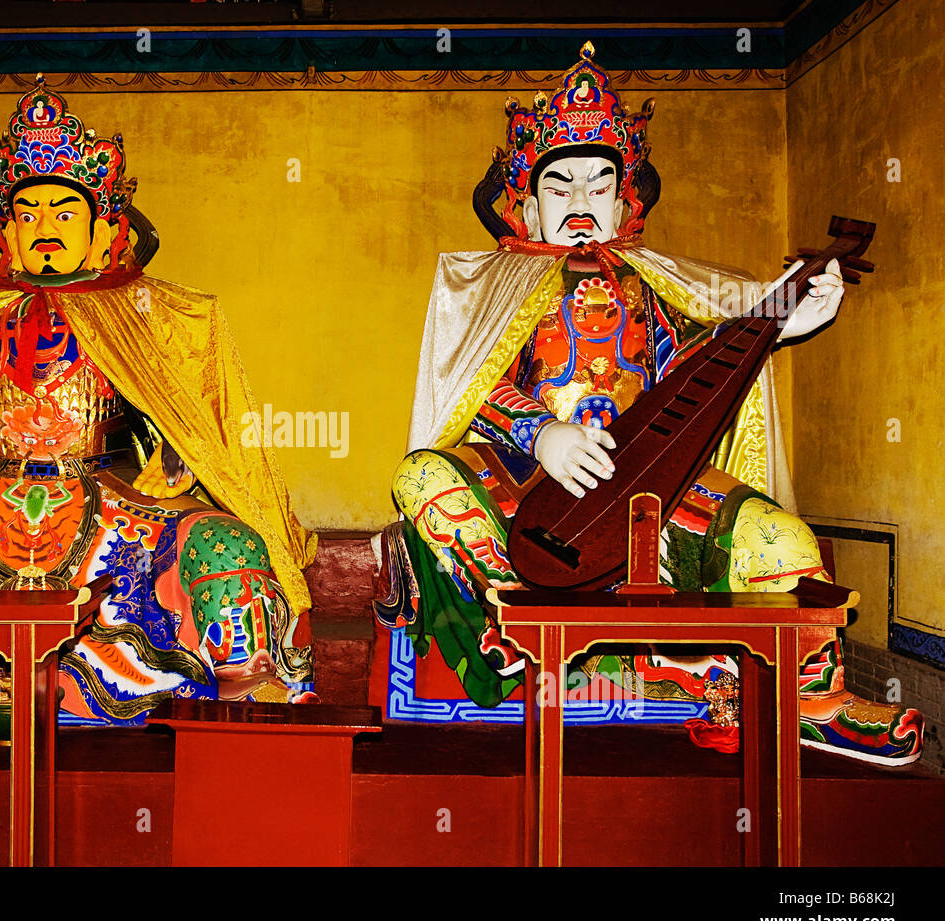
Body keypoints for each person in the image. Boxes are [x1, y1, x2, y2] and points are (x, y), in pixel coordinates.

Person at [383, 43, 920, 765]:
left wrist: (782, 325)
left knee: (783, 539)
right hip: (522, 486)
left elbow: (697, 378)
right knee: (420, 474)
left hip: (648, 485)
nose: (578, 203)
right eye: (559, 186)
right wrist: (542, 434)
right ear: (528, 204)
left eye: (597, 185)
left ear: (625, 199)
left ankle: (812, 699)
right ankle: (510, 606)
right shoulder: (489, 283)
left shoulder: (657, 287)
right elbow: (473, 389)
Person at [0, 78, 316, 724]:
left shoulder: (144, 312)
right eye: (29, 214)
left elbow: (195, 421)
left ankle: (248, 694)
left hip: (109, 508)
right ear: (3, 233)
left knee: (226, 542)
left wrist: (177, 469)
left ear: (102, 231)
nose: (44, 228)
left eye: (64, 213)